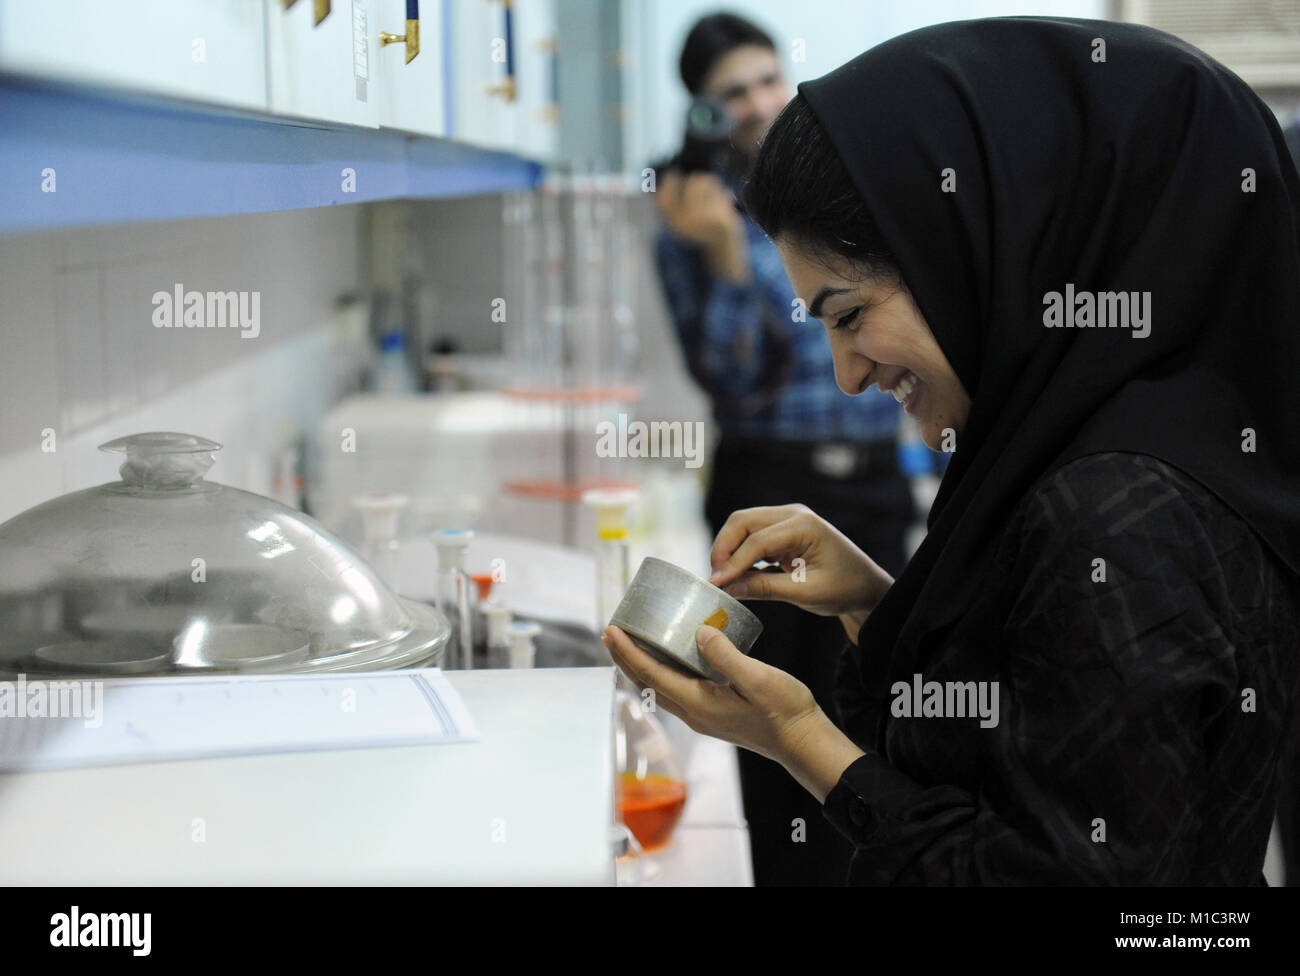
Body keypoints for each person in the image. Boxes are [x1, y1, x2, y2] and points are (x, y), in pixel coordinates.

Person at [608, 16, 1300, 884]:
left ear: (978, 252)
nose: (849, 374)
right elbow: (1052, 728)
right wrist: (873, 602)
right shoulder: (1106, 447)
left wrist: (799, 738)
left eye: (850, 316)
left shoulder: (1116, 514)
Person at [652, 12, 918, 886]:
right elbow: (730, 379)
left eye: (769, 78)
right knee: (769, 725)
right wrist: (727, 256)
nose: (761, 101)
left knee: (876, 711)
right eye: (734, 93)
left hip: (871, 489)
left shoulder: (837, 190)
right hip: (767, 483)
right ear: (703, 113)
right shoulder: (690, 222)